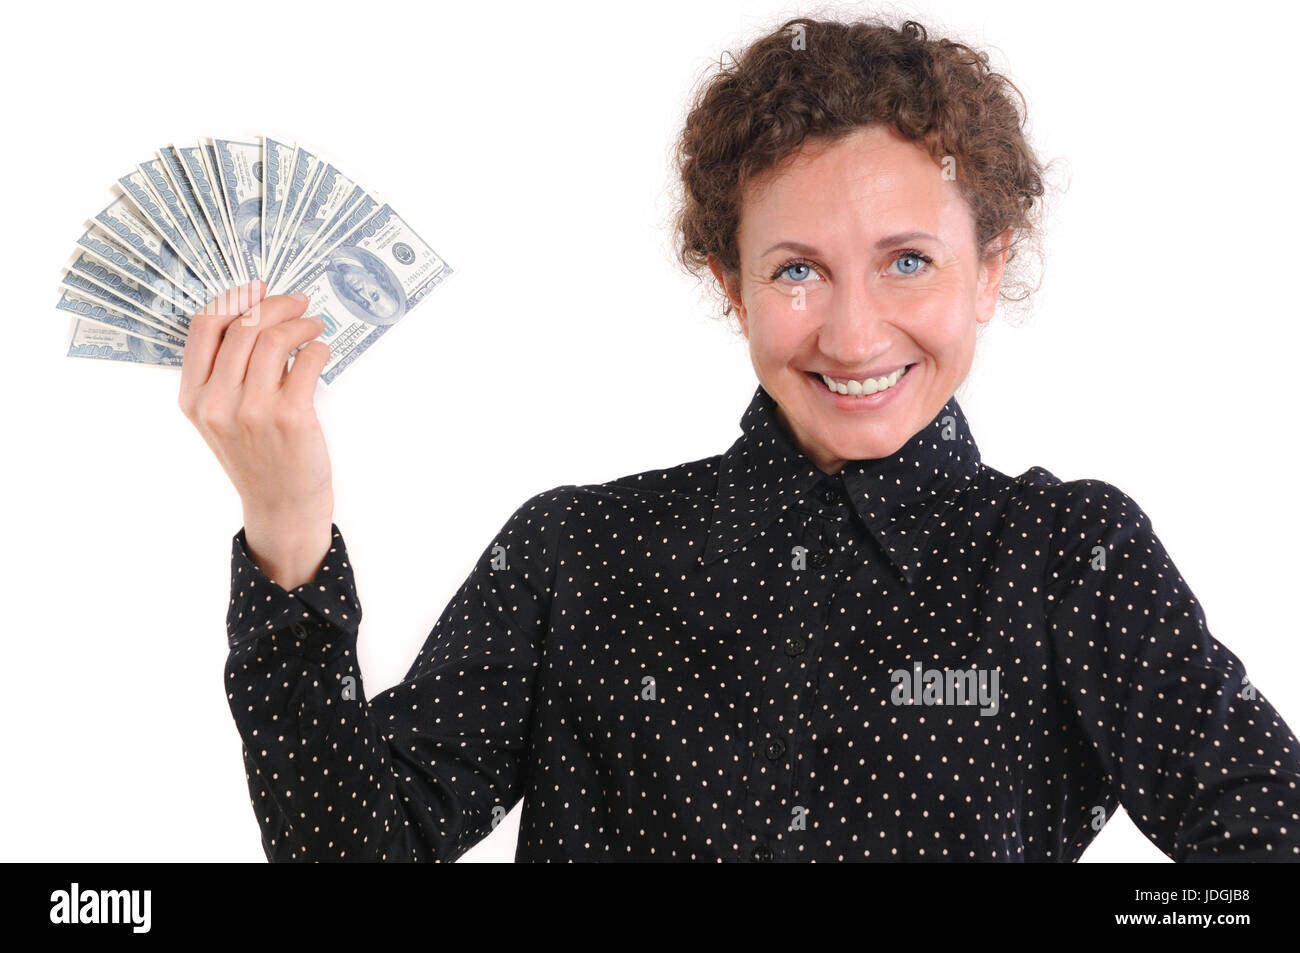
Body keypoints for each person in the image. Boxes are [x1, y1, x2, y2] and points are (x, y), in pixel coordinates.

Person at [180, 15, 1300, 862]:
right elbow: (346, 849)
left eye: (908, 259)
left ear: (989, 267)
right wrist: (287, 533)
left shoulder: (1068, 555)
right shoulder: (578, 554)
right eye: (797, 269)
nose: (856, 332)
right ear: (731, 282)